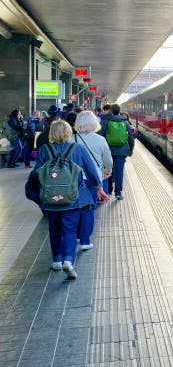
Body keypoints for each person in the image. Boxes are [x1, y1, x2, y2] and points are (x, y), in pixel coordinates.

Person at [33, 120, 104, 279]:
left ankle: (57, 260)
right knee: (70, 230)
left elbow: (36, 173)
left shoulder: (44, 150)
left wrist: (38, 193)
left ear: (51, 133)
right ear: (68, 133)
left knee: (54, 228)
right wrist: (99, 187)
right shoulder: (78, 149)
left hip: (50, 200)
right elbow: (91, 170)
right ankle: (68, 260)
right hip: (73, 199)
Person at [72, 111, 112, 251]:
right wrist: (108, 170)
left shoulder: (71, 139)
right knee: (88, 208)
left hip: (75, 179)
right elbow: (108, 159)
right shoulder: (100, 139)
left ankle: (76, 235)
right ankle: (85, 240)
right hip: (93, 179)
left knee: (75, 208)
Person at [100, 103, 135, 199]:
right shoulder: (125, 122)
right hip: (121, 151)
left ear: (111, 111)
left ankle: (109, 190)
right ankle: (118, 193)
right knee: (119, 171)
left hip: (108, 150)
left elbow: (100, 135)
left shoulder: (105, 121)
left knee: (108, 170)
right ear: (119, 111)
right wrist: (131, 149)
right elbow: (130, 138)